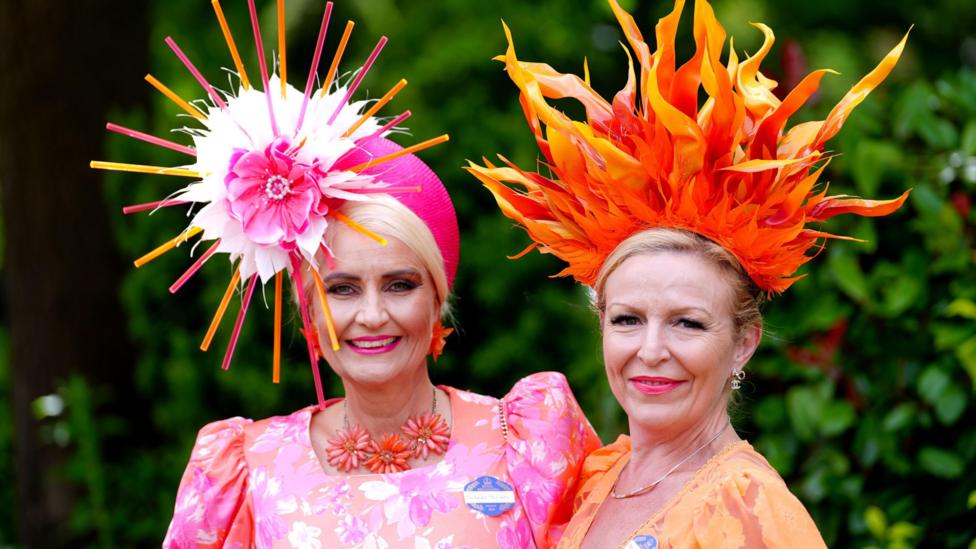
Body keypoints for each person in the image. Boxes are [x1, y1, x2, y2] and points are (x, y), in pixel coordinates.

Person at [91, 2, 599, 546]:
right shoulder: (242, 471)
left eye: (400, 284)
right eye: (342, 288)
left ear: (438, 300)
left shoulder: (527, 440)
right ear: (308, 314)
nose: (373, 314)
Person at [467, 0, 910, 547]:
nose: (651, 350)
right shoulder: (591, 478)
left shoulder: (752, 510)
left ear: (744, 342)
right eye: (628, 320)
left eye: (688, 324)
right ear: (600, 321)